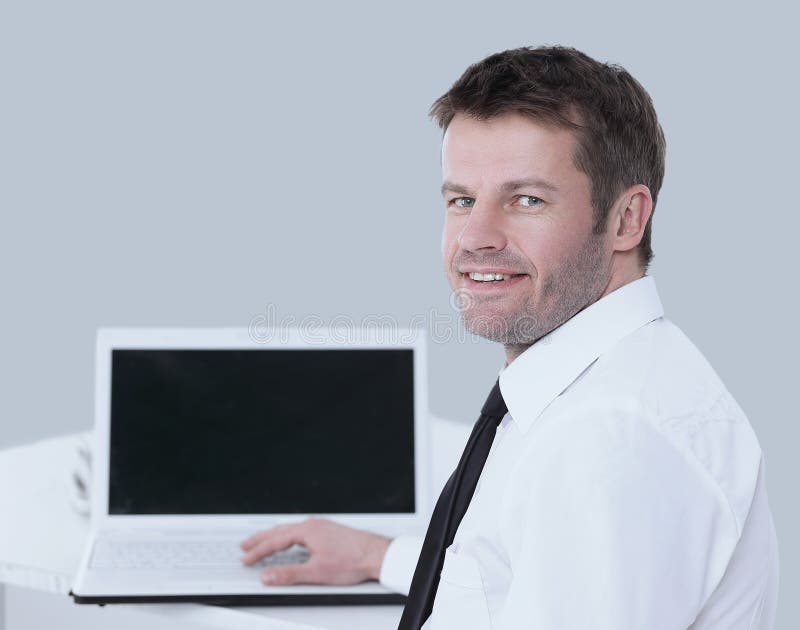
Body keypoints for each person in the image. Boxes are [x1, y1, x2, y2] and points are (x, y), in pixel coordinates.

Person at [239, 46, 779, 629]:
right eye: (462, 200)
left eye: (526, 200)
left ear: (626, 219)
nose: (475, 237)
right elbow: (509, 576)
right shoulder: (584, 392)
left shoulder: (606, 438)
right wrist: (381, 558)